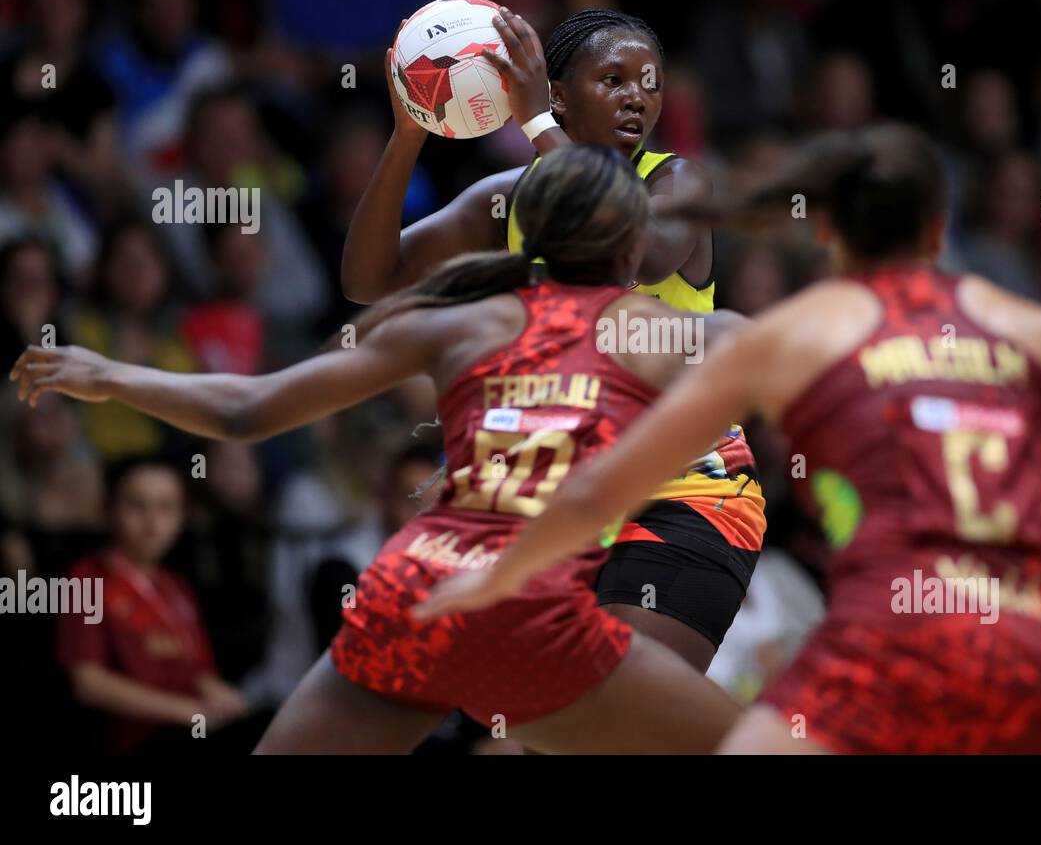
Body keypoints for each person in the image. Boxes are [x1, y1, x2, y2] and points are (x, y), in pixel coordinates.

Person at [417, 125, 1041, 755]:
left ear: (831, 233)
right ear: (939, 232)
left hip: (898, 639)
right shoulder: (1023, 331)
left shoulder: (794, 334)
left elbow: (600, 492)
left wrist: (492, 571)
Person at [12, 144, 742, 754]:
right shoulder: (661, 332)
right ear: (632, 245)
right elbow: (822, 353)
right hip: (527, 609)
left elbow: (246, 409)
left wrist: (112, 375)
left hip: (410, 598)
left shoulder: (456, 320)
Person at [344, 7, 763, 671]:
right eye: (614, 79)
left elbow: (639, 252)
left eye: (649, 81)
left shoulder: (677, 180)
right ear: (560, 93)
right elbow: (369, 278)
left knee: (625, 716)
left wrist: (537, 124)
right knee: (538, 723)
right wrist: (408, 134)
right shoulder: (510, 198)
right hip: (555, 489)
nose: (638, 96)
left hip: (686, 484)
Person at [56, 456, 250, 754]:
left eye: (166, 507)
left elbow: (199, 672)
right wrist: (189, 713)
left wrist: (224, 697)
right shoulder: (86, 577)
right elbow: (88, 683)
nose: (152, 522)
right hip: (140, 741)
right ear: (108, 508)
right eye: (137, 505)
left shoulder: (177, 587)